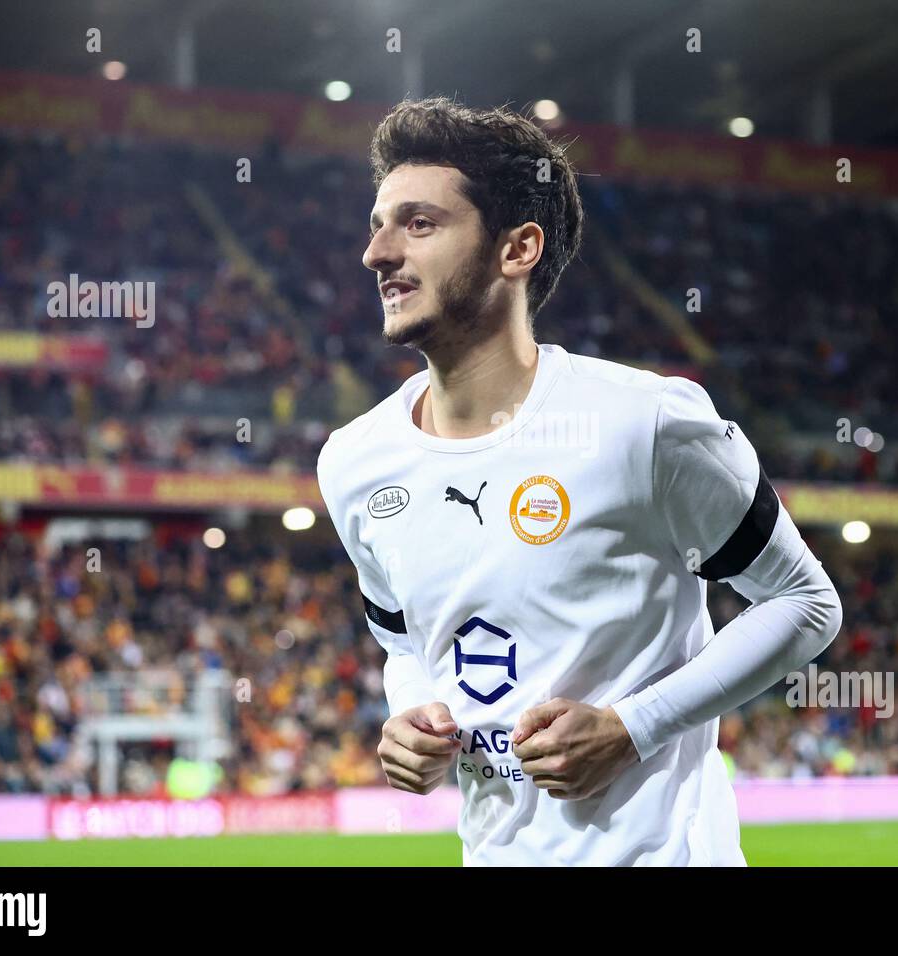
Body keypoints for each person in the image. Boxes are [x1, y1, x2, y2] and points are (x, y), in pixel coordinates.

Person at [318, 96, 842, 865]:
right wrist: (411, 716)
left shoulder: (645, 422)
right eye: (377, 224)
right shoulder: (355, 463)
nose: (378, 253)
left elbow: (805, 603)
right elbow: (404, 645)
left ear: (517, 248)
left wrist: (635, 728)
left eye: (419, 224)